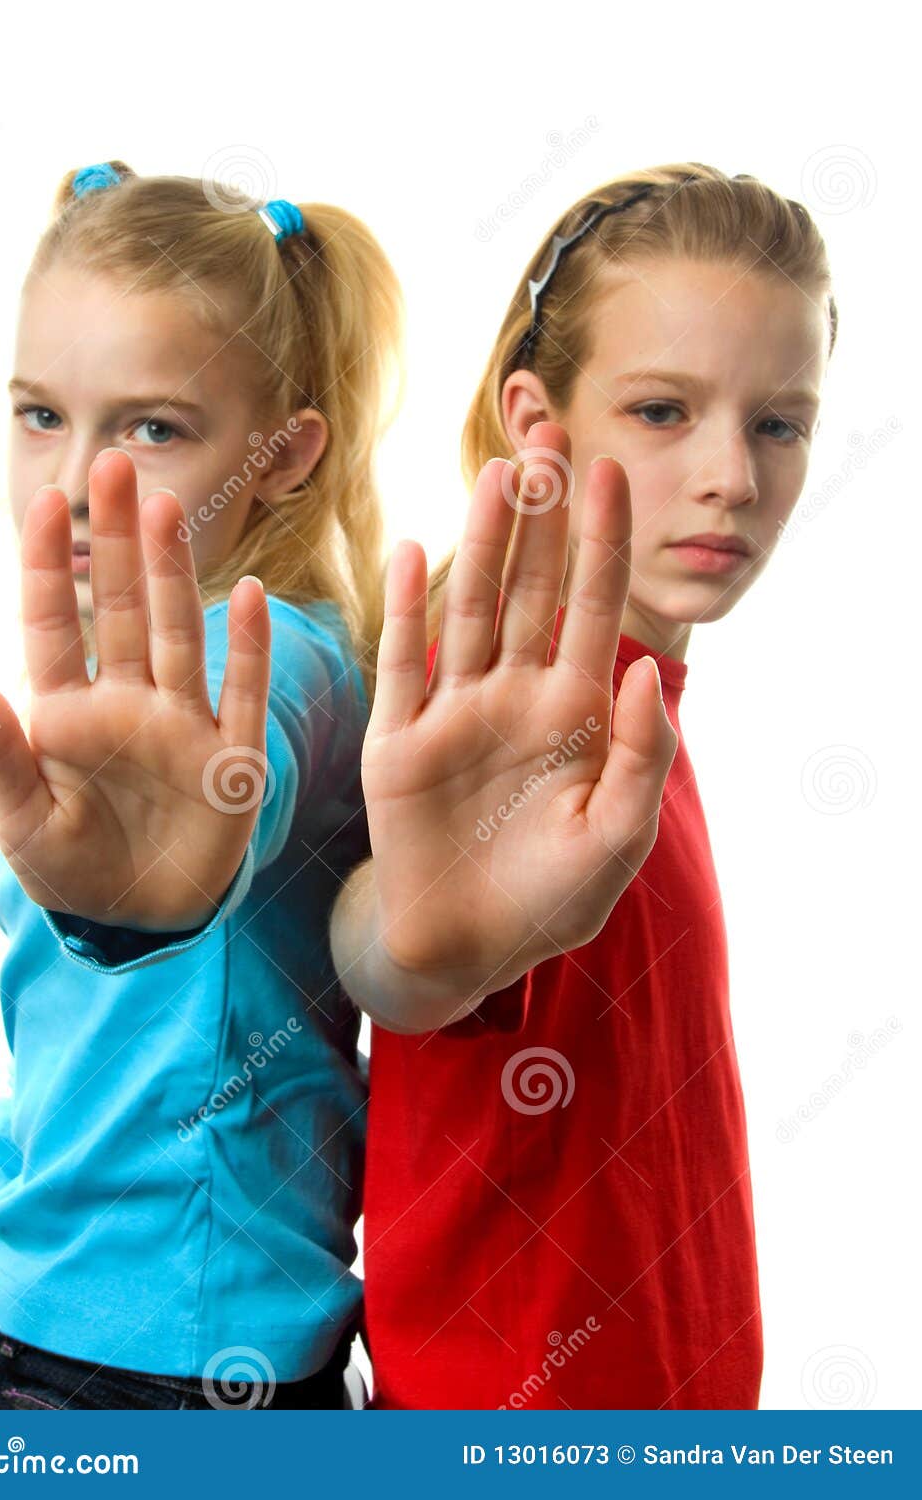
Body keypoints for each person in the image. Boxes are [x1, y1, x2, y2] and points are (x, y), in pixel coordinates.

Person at [0, 160, 403, 1410]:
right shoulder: (130, 695)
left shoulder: (272, 662)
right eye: (41, 415)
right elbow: (61, 1107)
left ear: (280, 455)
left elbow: (236, 786)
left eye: (152, 429)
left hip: (137, 1368)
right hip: (65, 1319)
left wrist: (147, 903)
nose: (75, 481)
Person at [330, 163, 836, 1408]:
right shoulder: (500, 715)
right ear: (535, 425)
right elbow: (399, 957)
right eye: (662, 410)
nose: (732, 475)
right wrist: (414, 935)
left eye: (778, 421)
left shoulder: (643, 705)